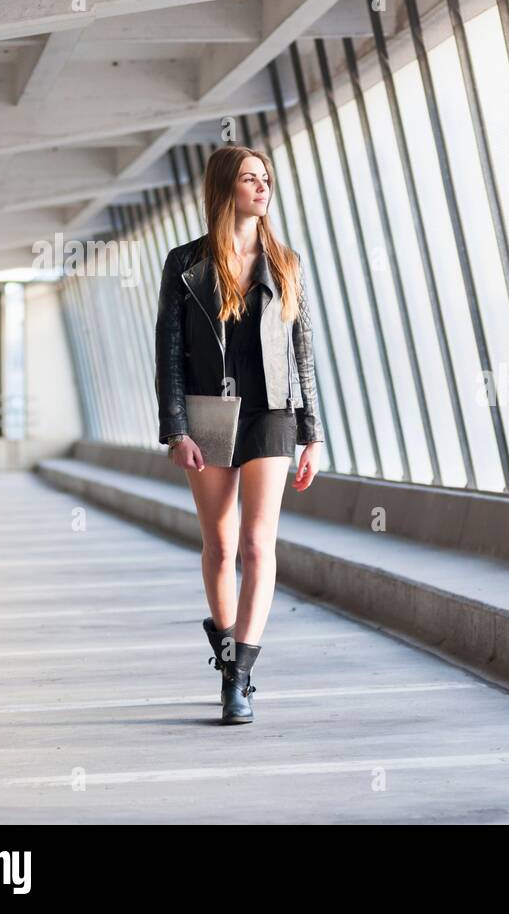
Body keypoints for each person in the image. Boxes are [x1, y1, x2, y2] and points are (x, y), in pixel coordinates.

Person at [154, 144, 325, 725]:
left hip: (272, 415)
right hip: (209, 415)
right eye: (250, 178)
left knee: (257, 545)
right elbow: (169, 357)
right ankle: (228, 652)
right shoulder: (185, 265)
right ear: (225, 187)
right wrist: (176, 430)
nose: (262, 187)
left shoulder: (286, 263)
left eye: (267, 178)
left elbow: (304, 354)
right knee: (220, 547)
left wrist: (313, 434)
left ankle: (240, 675)